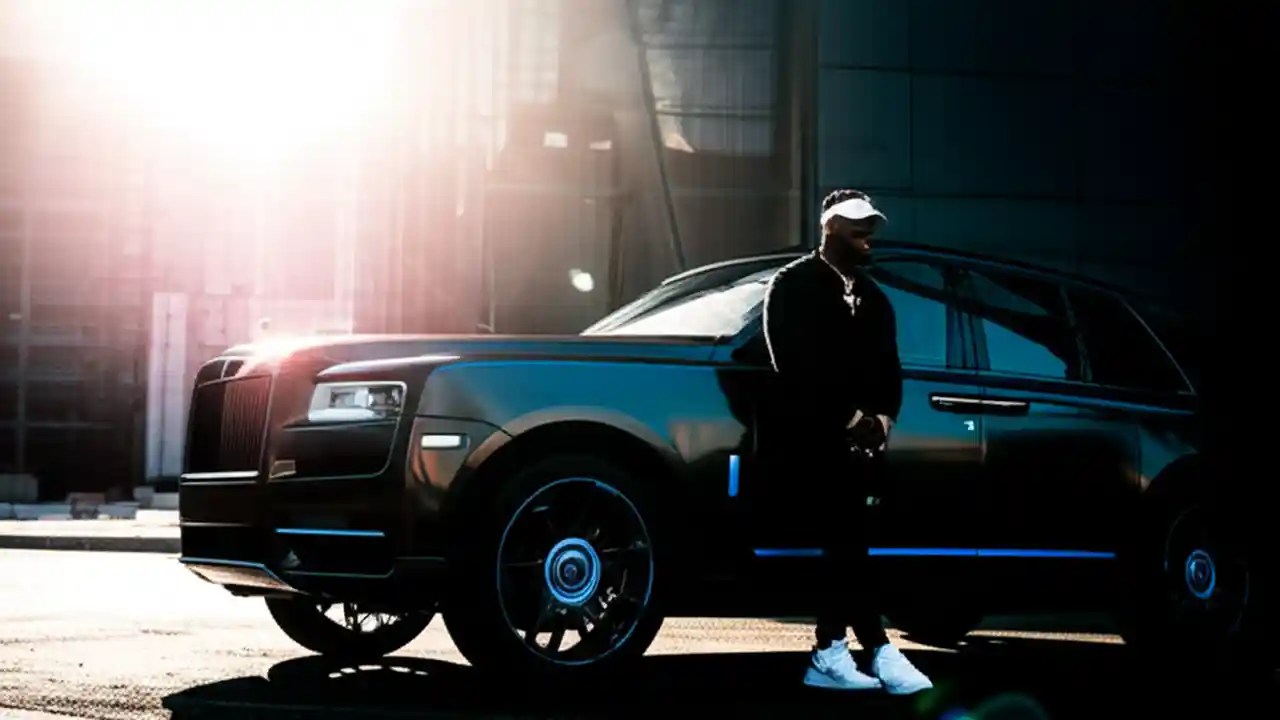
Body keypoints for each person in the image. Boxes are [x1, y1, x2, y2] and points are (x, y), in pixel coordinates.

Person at [762, 189, 934, 694]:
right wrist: (850, 416)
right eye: (857, 227)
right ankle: (873, 650)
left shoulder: (875, 298)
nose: (868, 235)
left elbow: (890, 369)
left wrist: (882, 420)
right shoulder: (791, 285)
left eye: (870, 226)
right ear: (830, 229)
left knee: (849, 541)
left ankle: (836, 651)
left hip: (861, 451)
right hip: (808, 444)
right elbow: (790, 364)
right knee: (848, 538)